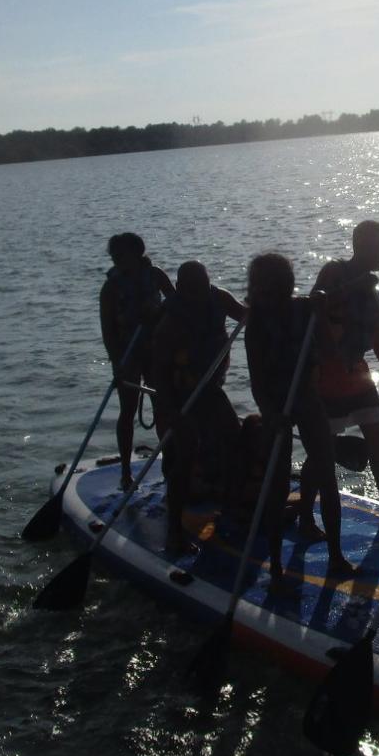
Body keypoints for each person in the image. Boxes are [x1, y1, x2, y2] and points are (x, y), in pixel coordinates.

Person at [242, 252, 354, 581]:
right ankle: (276, 565)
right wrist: (270, 414)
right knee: (277, 486)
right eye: (264, 287)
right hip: (276, 404)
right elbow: (257, 381)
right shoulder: (257, 324)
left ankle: (336, 556)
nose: (270, 293)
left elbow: (330, 352)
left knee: (326, 473)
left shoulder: (304, 310)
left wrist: (322, 315)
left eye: (275, 285)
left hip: (306, 398)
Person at [311, 220, 379, 526]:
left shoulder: (373, 292)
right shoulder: (334, 271)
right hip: (326, 378)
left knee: (378, 439)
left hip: (357, 375)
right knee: (321, 452)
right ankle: (304, 515)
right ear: (362, 247)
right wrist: (355, 287)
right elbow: (314, 308)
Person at [149, 261, 246, 552]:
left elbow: (245, 315)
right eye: (193, 290)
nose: (200, 295)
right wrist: (170, 412)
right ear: (179, 289)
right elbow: (158, 372)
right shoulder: (170, 320)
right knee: (186, 455)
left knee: (234, 438)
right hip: (181, 394)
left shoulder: (218, 297)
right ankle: (174, 532)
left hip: (210, 389)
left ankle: (231, 505)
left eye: (203, 288)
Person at [99, 233, 174, 492]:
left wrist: (158, 312)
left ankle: (169, 464)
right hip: (127, 354)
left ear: (136, 253)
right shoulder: (111, 288)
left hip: (155, 350)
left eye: (121, 255)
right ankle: (125, 471)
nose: (117, 260)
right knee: (127, 410)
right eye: (114, 256)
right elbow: (107, 329)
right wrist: (116, 360)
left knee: (162, 406)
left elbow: (175, 305)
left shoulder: (156, 276)